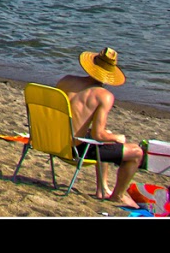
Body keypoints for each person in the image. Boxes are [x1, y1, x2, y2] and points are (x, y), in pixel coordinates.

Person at [56, 46, 146, 208]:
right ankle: (117, 196)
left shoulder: (66, 80)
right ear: (109, 74)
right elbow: (99, 135)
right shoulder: (103, 96)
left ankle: (102, 188)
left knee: (105, 136)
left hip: (50, 140)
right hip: (72, 150)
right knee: (137, 153)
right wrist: (117, 138)